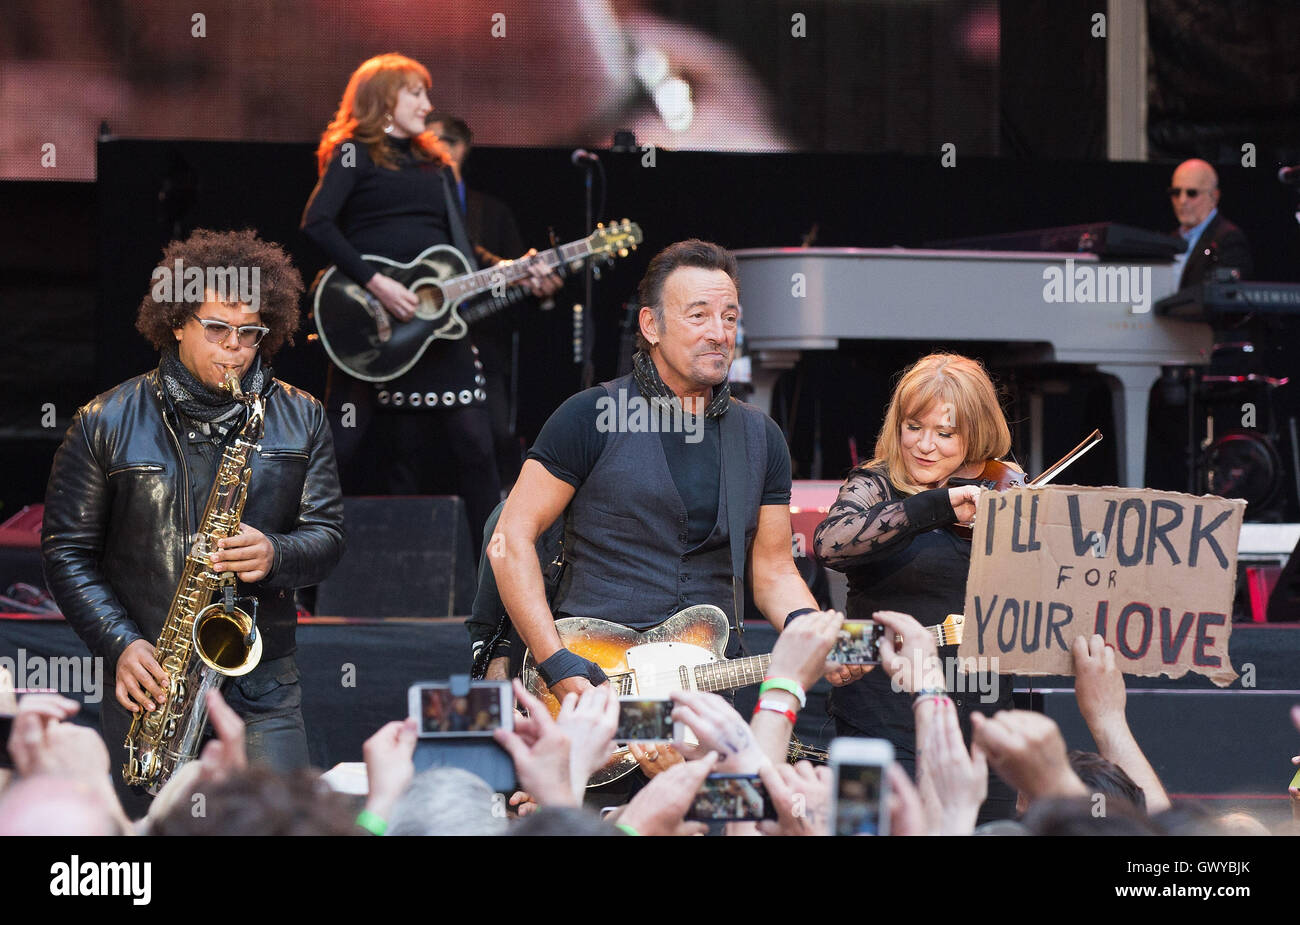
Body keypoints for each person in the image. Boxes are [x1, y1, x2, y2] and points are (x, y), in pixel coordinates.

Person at [489, 240, 861, 784]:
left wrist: (817, 634)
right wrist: (557, 663)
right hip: (597, 685)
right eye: (699, 315)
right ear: (651, 324)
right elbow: (510, 539)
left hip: (708, 697)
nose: (719, 331)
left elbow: (774, 569)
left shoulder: (760, 436)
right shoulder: (589, 416)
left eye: (730, 316)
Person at [41, 228, 345, 815]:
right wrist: (120, 642)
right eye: (216, 329)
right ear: (177, 321)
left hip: (263, 682)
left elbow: (329, 537)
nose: (234, 349)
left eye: (249, 334)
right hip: (152, 677)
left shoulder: (300, 415)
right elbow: (66, 552)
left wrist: (276, 554)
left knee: (285, 826)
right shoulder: (104, 420)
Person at [302, 54, 559, 554]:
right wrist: (376, 283)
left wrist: (519, 270)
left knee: (477, 446)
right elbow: (317, 223)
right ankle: (296, 577)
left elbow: (463, 256)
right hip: (369, 324)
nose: (428, 103)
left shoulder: (436, 166)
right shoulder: (354, 153)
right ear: (383, 100)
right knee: (340, 446)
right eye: (416, 93)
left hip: (436, 330)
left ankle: (497, 581)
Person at [813, 352, 1017, 821]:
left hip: (982, 724)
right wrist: (935, 506)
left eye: (945, 434)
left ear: (976, 434)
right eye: (913, 427)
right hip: (876, 720)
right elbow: (830, 544)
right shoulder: (875, 486)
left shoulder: (1003, 490)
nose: (925, 446)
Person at [428, 112, 548, 489]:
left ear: (456, 147)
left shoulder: (492, 212)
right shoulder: (416, 204)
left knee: (492, 433)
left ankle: (496, 527)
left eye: (428, 140)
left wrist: (538, 286)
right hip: (420, 341)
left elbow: (518, 279)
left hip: (482, 344)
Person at [1167, 158, 1252, 289]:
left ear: (1214, 196)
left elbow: (1223, 296)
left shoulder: (1228, 240)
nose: (1182, 200)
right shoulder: (1171, 240)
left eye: (1192, 193)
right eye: (1176, 193)